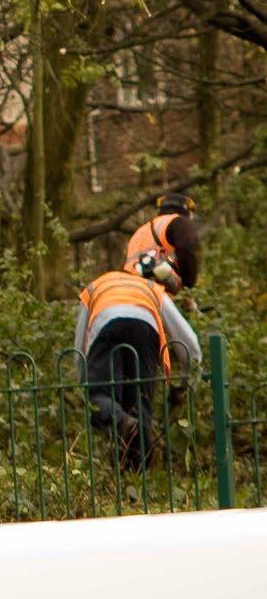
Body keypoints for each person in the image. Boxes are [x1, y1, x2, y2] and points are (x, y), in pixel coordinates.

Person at [74, 258, 201, 470]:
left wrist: (84, 383)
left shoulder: (96, 286)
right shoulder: (151, 288)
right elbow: (190, 344)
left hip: (106, 324)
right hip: (145, 328)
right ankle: (138, 479)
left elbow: (79, 346)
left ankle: (121, 423)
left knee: (99, 397)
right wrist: (188, 384)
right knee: (139, 406)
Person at [125, 192, 200, 291]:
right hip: (161, 292)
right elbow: (186, 249)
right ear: (187, 210)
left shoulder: (140, 231)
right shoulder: (180, 222)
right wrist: (188, 286)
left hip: (130, 288)